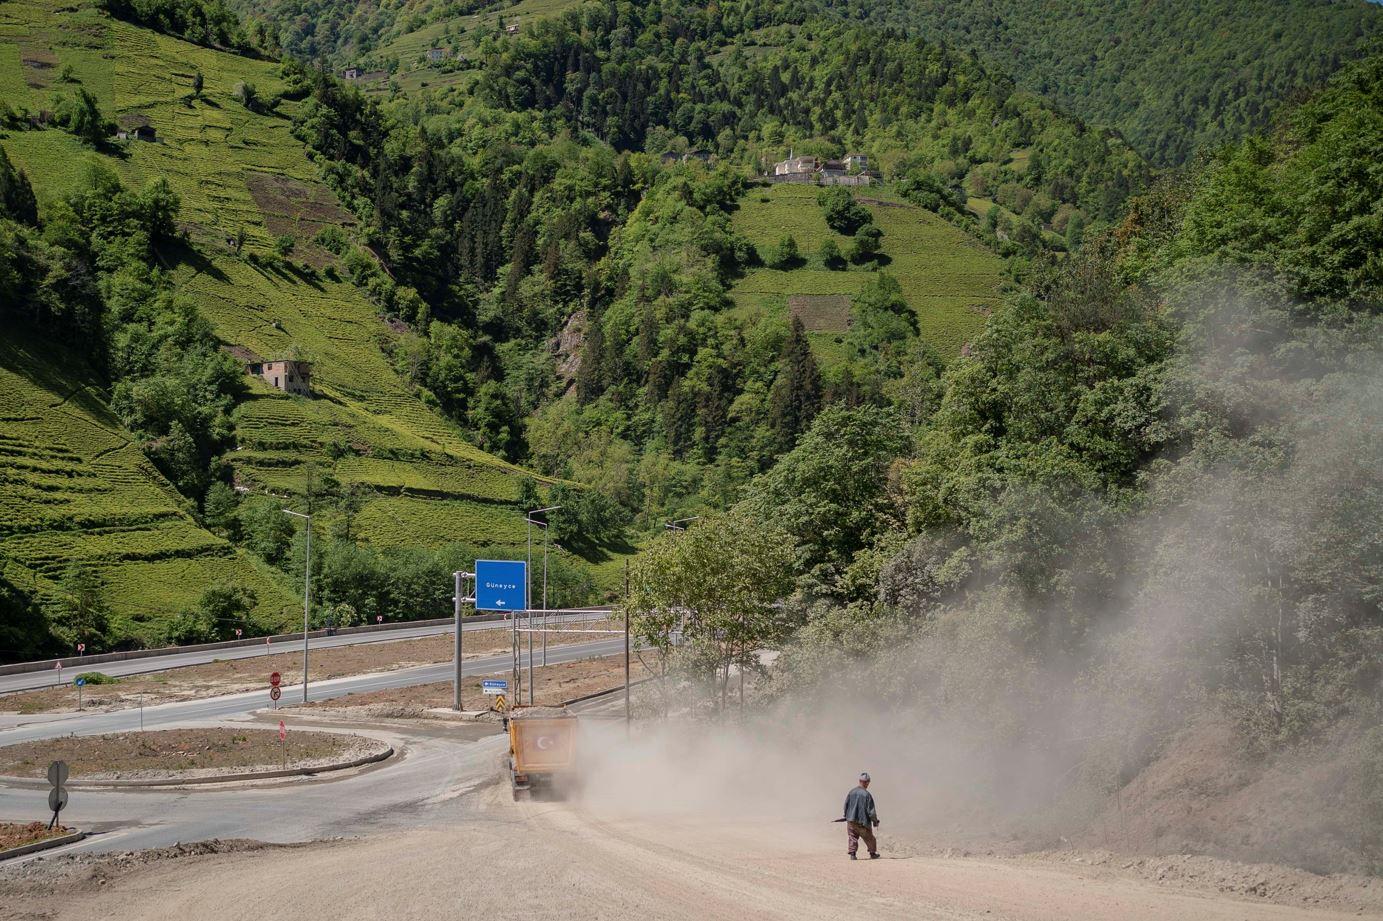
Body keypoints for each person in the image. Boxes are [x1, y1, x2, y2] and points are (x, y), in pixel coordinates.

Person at [843, 772, 880, 860]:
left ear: (860, 781)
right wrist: (875, 821)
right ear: (866, 782)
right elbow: (871, 812)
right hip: (862, 822)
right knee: (870, 838)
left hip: (851, 820)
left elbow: (846, 805)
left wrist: (846, 816)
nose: (868, 784)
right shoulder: (867, 795)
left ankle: (853, 854)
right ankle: (872, 854)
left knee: (852, 837)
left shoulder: (851, 792)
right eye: (868, 782)